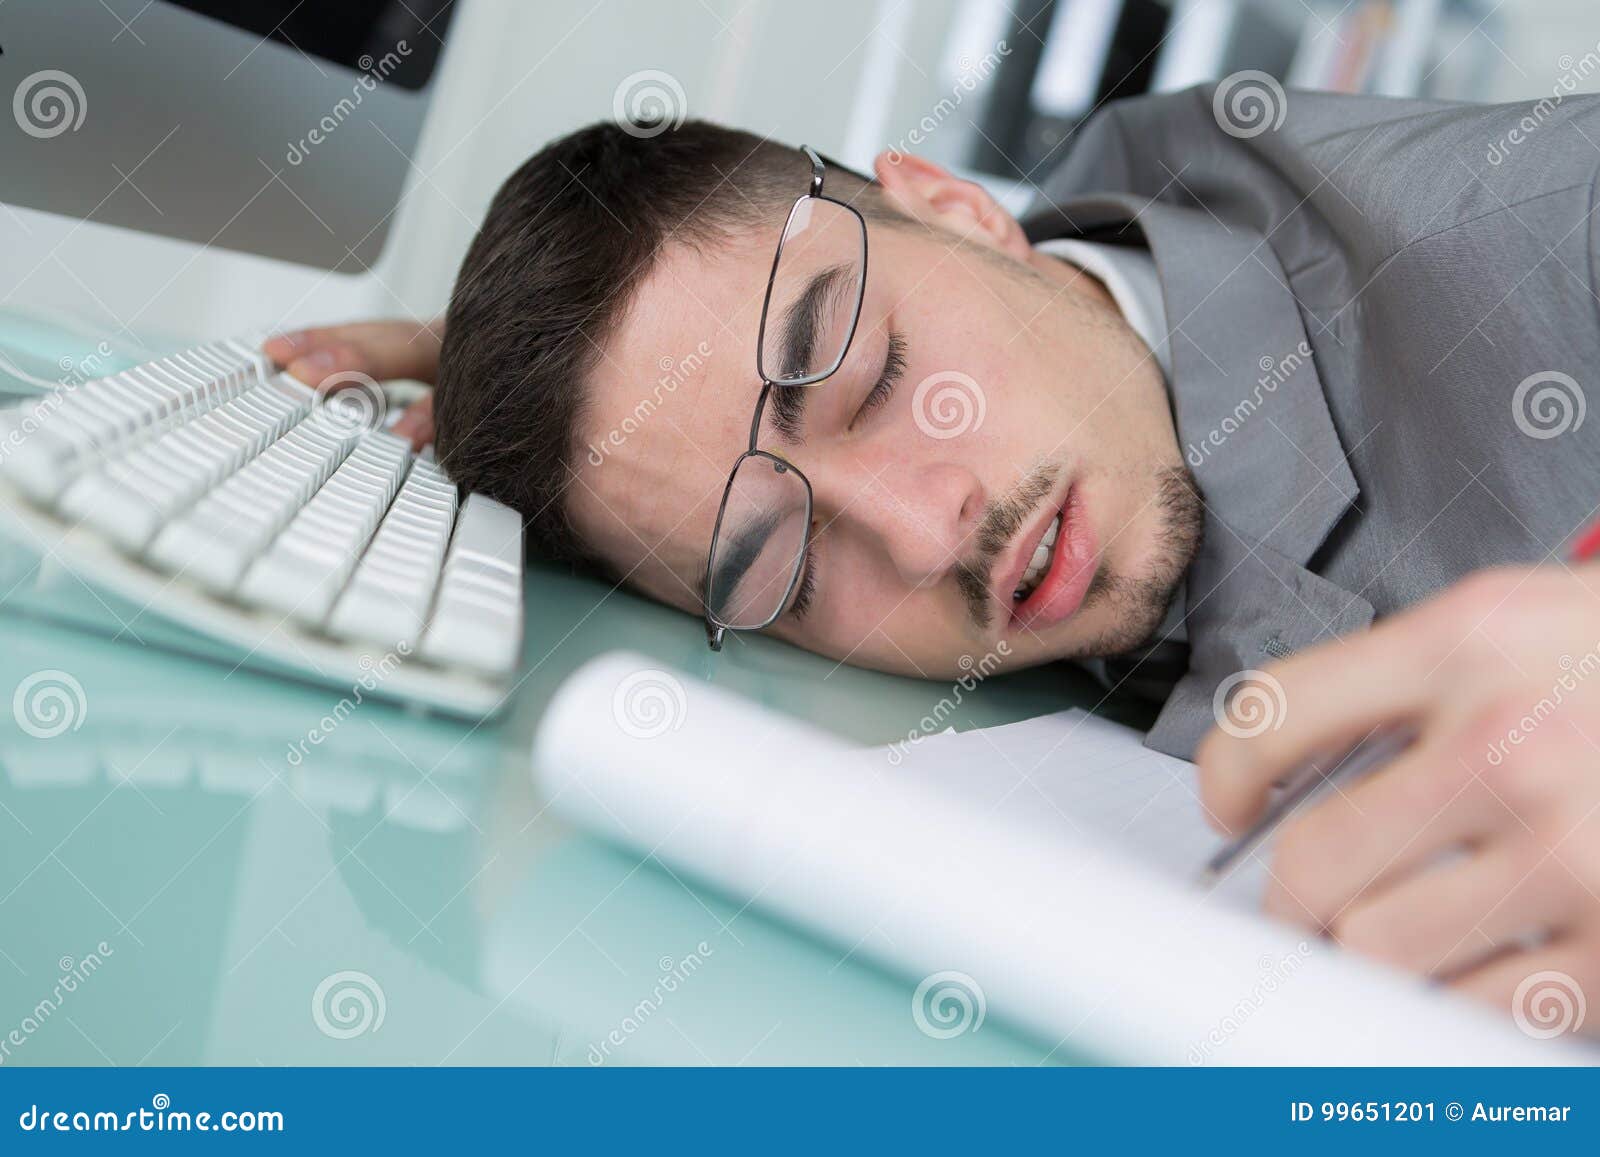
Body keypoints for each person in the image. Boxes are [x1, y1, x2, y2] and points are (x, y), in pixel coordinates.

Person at [267, 83, 1600, 1025]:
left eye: (871, 373)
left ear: (959, 208)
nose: (927, 531)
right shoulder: (1042, 281)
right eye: (779, 564)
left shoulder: (1547, 228)